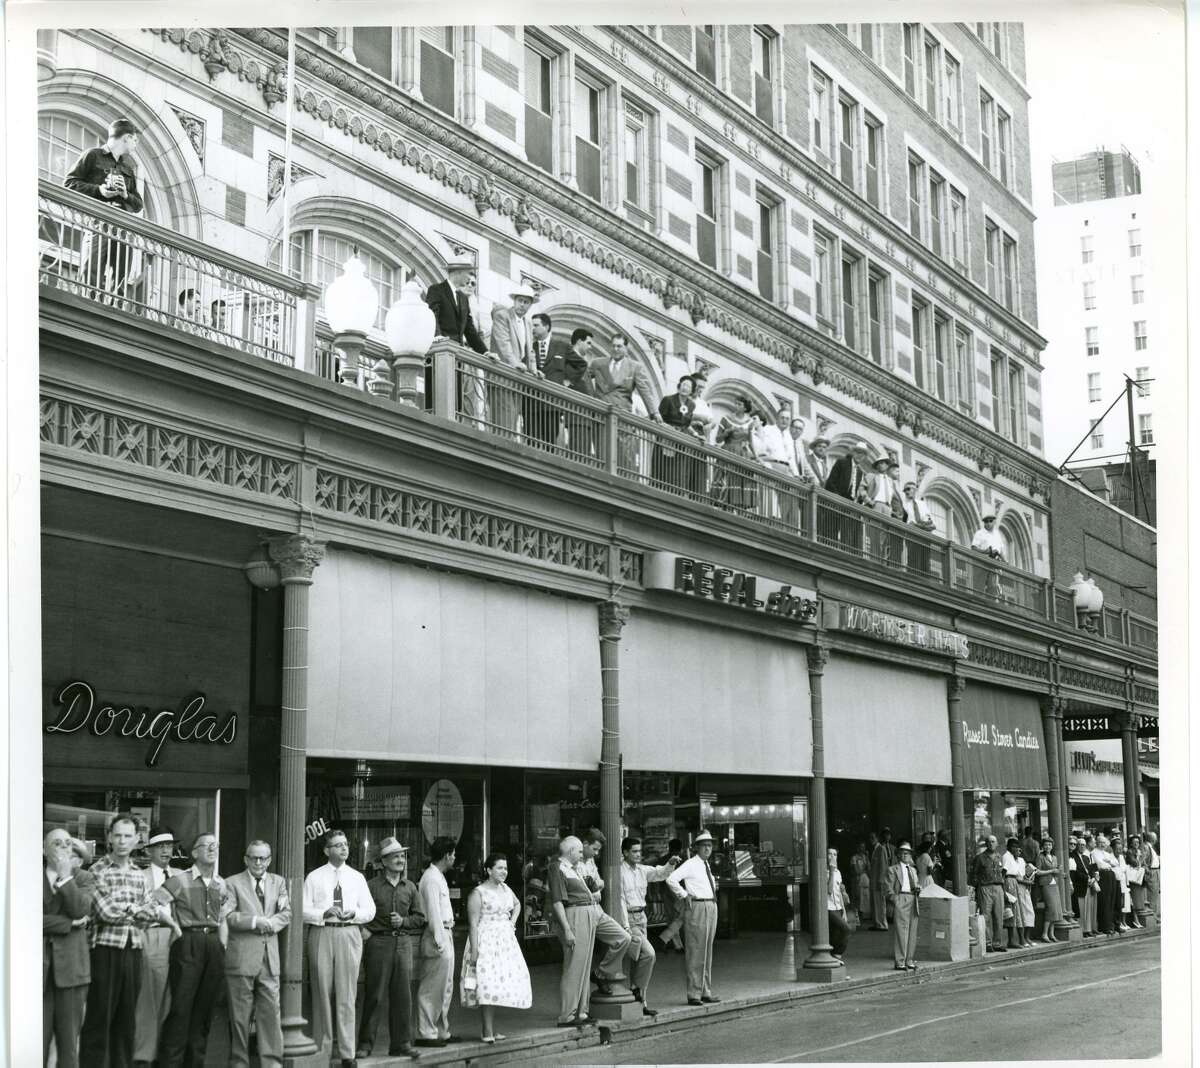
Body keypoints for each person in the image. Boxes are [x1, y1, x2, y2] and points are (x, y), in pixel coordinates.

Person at [79, 813, 180, 1068]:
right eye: (118, 836)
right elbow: (105, 912)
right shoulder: (97, 871)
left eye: (128, 836)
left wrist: (137, 911)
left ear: (137, 840)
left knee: (127, 1021)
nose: (122, 841)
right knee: (98, 1020)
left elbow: (146, 918)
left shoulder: (137, 874)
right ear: (109, 838)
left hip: (134, 950)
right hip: (104, 950)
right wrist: (137, 910)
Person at [303, 828, 375, 1066]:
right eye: (337, 845)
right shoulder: (314, 877)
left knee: (347, 994)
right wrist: (322, 913)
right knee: (321, 991)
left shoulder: (357, 877)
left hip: (348, 933)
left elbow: (370, 910)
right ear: (326, 850)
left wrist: (354, 913)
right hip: (323, 932)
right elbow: (302, 909)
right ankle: (323, 1050)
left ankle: (347, 1053)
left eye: (345, 844)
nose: (343, 848)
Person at [222, 839, 290, 1068]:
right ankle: (239, 1062)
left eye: (263, 858)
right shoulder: (231, 883)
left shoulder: (279, 882)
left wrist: (271, 923)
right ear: (246, 859)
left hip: (269, 959)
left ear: (269, 860)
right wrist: (254, 921)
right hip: (241, 958)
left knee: (271, 1014)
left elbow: (286, 912)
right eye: (253, 857)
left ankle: (271, 1063)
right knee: (239, 1018)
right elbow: (228, 916)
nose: (258, 862)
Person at [357, 837, 423, 1060]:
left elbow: (420, 918)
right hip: (378, 943)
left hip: (403, 943)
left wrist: (403, 922)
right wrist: (364, 932)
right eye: (395, 856)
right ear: (383, 861)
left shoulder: (410, 887)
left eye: (402, 856)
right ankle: (365, 1044)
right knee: (374, 995)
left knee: (403, 996)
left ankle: (401, 1043)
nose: (400, 860)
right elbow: (360, 913)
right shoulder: (371, 886)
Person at [64, 118, 144, 298]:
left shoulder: (128, 169)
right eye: (135, 140)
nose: (135, 144)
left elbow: (138, 204)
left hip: (123, 225)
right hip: (97, 221)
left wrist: (125, 195)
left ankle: (117, 309)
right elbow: (69, 183)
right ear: (126, 137)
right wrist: (99, 190)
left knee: (121, 275)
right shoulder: (92, 155)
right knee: (91, 269)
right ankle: (87, 305)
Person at [462, 852, 531, 1043]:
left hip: (504, 941)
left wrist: (512, 923)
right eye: (500, 868)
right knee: (487, 984)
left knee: (498, 984)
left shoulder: (506, 889)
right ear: (488, 870)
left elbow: (517, 905)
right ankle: (487, 1030)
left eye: (506, 868)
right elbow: (473, 924)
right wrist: (475, 951)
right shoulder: (478, 893)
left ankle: (492, 1028)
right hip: (486, 940)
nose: (504, 872)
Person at [44, 829, 95, 1068]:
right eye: (57, 843)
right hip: (37, 975)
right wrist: (67, 924)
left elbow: (80, 910)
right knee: (35, 1044)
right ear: (45, 850)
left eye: (67, 844)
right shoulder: (27, 876)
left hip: (72, 974)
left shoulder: (83, 878)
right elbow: (23, 918)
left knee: (68, 1048)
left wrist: (65, 879)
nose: (64, 848)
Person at [133, 827, 181, 1067]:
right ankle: (144, 1056)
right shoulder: (140, 877)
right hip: (152, 936)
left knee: (174, 1000)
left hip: (180, 941)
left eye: (169, 846)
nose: (166, 850)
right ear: (149, 851)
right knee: (150, 999)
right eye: (160, 846)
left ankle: (164, 1055)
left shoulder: (180, 875)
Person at [618, 837, 678, 1016]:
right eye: (634, 851)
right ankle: (636, 990)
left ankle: (641, 1001)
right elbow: (620, 899)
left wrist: (670, 863)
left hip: (642, 917)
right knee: (649, 954)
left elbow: (660, 874)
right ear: (625, 852)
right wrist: (626, 926)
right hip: (629, 917)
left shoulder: (642, 870)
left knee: (639, 960)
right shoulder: (620, 872)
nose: (638, 854)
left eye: (639, 851)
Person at [589, 333, 662, 473]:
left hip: (623, 417)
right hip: (601, 413)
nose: (615, 349)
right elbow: (584, 378)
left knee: (623, 456)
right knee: (602, 452)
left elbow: (645, 391)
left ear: (626, 348)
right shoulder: (598, 363)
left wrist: (654, 412)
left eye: (619, 346)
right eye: (613, 345)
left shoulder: (635, 367)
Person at [665, 829, 721, 1006]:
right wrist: (684, 894)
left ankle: (705, 990)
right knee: (696, 949)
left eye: (710, 845)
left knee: (706, 949)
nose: (707, 848)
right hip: (697, 906)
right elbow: (671, 879)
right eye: (704, 845)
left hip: (710, 905)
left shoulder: (706, 865)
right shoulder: (691, 863)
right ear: (697, 847)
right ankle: (694, 993)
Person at [549, 835, 600, 1027]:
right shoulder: (557, 867)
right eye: (579, 851)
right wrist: (567, 929)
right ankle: (567, 1014)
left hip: (586, 914)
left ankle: (582, 1011)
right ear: (570, 851)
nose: (581, 854)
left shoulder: (574, 868)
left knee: (585, 965)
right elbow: (557, 901)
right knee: (574, 966)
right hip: (574, 916)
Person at [576, 830, 633, 992]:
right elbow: (583, 887)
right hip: (581, 910)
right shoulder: (574, 861)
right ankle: (581, 1007)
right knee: (582, 959)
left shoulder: (590, 861)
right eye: (594, 849)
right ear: (585, 844)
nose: (596, 853)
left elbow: (600, 882)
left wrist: (595, 886)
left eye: (598, 850)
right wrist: (594, 886)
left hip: (596, 910)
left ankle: (600, 972)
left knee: (623, 938)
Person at [416, 835, 459, 1047]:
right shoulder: (431, 879)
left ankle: (442, 1031)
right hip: (437, 934)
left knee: (445, 986)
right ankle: (426, 1032)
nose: (455, 857)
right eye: (453, 854)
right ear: (446, 855)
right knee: (432, 987)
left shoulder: (438, 876)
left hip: (445, 931)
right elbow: (433, 913)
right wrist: (440, 941)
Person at [491, 283, 542, 441]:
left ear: (530, 305)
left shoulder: (527, 323)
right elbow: (503, 343)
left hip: (517, 379)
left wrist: (534, 369)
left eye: (526, 302)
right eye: (520, 300)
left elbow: (530, 350)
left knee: (512, 421)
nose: (522, 304)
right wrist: (515, 363)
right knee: (503, 422)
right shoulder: (503, 315)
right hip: (502, 375)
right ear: (514, 300)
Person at [544, 328, 598, 458]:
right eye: (588, 343)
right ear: (579, 341)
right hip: (576, 414)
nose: (590, 347)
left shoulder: (579, 362)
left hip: (584, 416)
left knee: (582, 453)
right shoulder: (569, 360)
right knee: (579, 455)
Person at [423, 259, 488, 354]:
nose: (470, 278)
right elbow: (432, 314)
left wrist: (485, 352)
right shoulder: (437, 290)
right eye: (469, 273)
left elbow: (470, 330)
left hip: (458, 355)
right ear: (459, 272)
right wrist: (437, 335)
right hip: (439, 351)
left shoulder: (463, 299)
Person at [713, 399, 760, 513]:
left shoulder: (749, 422)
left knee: (741, 479)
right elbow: (718, 439)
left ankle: (737, 509)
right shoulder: (726, 418)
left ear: (745, 407)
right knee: (725, 478)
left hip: (743, 453)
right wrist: (728, 431)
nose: (736, 406)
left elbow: (750, 441)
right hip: (728, 450)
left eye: (739, 404)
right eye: (736, 403)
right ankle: (721, 505)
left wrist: (756, 456)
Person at [753, 408, 800, 524]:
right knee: (770, 496)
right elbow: (761, 449)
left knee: (787, 498)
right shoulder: (768, 429)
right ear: (777, 418)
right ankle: (768, 519)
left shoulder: (789, 436)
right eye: (782, 418)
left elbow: (791, 458)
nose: (785, 421)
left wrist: (796, 474)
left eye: (787, 419)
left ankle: (784, 523)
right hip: (772, 466)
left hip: (785, 470)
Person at [654, 376, 699, 493]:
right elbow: (659, 420)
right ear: (679, 386)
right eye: (683, 384)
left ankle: (676, 491)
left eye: (688, 386)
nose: (685, 388)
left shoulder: (691, 405)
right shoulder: (668, 400)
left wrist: (695, 434)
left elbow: (687, 424)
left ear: (691, 390)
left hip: (680, 440)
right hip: (666, 436)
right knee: (663, 468)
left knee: (677, 470)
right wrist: (669, 430)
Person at [824, 442, 870, 552]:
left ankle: (843, 552)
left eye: (863, 454)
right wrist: (836, 498)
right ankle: (830, 550)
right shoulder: (842, 463)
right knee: (831, 529)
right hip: (836, 501)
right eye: (858, 452)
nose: (860, 455)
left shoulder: (860, 472)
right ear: (853, 452)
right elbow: (831, 482)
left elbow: (856, 489)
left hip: (849, 505)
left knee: (846, 530)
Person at [885, 842, 920, 970]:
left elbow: (916, 884)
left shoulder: (913, 870)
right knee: (901, 931)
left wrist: (918, 889)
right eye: (903, 853)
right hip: (901, 897)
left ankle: (909, 960)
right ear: (898, 855)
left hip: (913, 898)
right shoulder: (892, 869)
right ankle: (900, 961)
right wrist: (896, 900)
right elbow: (888, 889)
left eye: (908, 853)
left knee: (912, 931)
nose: (906, 855)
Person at [968, 835, 1007, 953]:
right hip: (985, 887)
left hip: (998, 887)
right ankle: (988, 943)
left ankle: (998, 943)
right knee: (985, 916)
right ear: (986, 844)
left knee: (999, 916)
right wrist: (977, 887)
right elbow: (973, 874)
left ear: (997, 843)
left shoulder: (999, 857)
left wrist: (1003, 889)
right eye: (989, 842)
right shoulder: (980, 858)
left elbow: (1003, 873)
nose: (991, 844)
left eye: (993, 841)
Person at [657, 838, 688, 952]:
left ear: (669, 847)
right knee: (682, 916)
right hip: (679, 892)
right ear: (680, 848)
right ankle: (668, 939)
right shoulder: (683, 860)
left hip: (665, 891)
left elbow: (658, 876)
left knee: (672, 918)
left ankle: (674, 942)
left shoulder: (662, 859)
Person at [1001, 838, 1030, 948]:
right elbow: (1003, 874)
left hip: (1015, 882)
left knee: (1018, 911)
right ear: (1008, 847)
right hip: (1009, 882)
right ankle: (1011, 940)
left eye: (1016, 847)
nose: (1015, 849)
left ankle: (1020, 939)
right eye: (1013, 846)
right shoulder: (1007, 857)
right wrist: (1004, 890)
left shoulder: (1014, 857)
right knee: (1011, 911)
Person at [1091, 834, 1119, 936]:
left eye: (1104, 843)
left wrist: (1109, 861)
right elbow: (1099, 864)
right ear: (1097, 843)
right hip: (1103, 876)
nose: (1102, 844)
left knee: (1112, 899)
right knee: (1105, 900)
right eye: (1100, 842)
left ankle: (1111, 925)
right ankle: (1105, 926)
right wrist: (1109, 862)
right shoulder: (1094, 852)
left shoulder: (1106, 853)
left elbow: (1116, 863)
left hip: (1111, 875)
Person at [826, 847, 851, 960]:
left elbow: (839, 893)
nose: (832, 857)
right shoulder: (825, 871)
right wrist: (831, 872)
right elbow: (829, 891)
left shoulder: (838, 872)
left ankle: (834, 957)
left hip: (838, 907)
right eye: (829, 854)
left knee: (836, 935)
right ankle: (837, 956)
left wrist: (844, 911)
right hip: (829, 908)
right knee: (846, 929)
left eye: (834, 854)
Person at [868, 828, 895, 931]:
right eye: (870, 838)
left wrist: (881, 880)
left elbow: (883, 866)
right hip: (874, 881)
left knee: (880, 903)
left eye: (873, 838)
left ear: (877, 838)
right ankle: (877, 923)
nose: (871, 840)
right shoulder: (875, 850)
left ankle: (882, 924)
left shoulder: (881, 849)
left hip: (879, 881)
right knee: (875, 903)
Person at [1126, 836, 1147, 927]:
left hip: (1139, 878)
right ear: (1131, 843)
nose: (1136, 844)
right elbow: (1135, 863)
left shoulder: (1138, 852)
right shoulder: (1129, 852)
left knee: (1138, 900)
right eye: (1134, 842)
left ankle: (1136, 920)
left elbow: (1143, 864)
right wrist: (1140, 857)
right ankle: (1135, 920)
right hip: (1133, 878)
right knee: (1134, 900)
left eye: (1138, 842)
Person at [849, 842, 872, 922]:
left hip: (864, 880)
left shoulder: (865, 857)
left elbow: (869, 869)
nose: (862, 849)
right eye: (860, 847)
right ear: (858, 848)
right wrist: (863, 870)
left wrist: (868, 858)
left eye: (863, 847)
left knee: (864, 898)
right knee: (857, 897)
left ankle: (864, 916)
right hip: (857, 880)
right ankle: (856, 917)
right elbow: (856, 870)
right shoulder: (854, 858)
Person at [1143, 831, 1161, 921]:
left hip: (1156, 871)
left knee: (1155, 893)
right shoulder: (1146, 847)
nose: (1156, 839)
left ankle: (1155, 915)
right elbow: (1144, 860)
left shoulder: (1151, 847)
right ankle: (1153, 916)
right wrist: (1148, 871)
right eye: (1155, 837)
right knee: (1152, 894)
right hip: (1152, 871)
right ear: (1152, 839)